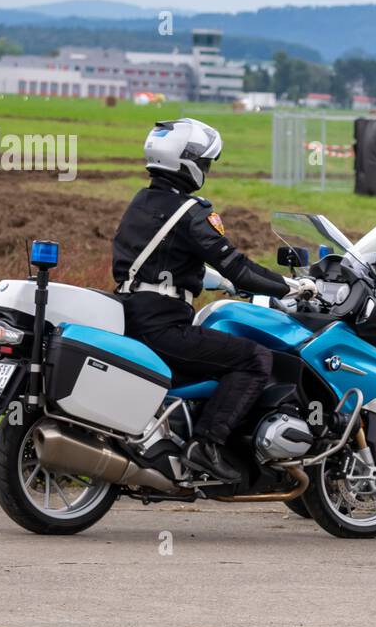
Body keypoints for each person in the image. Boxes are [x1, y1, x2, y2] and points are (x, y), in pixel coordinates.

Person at [112, 118, 314, 482]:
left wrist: (220, 283)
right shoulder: (190, 213)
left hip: (130, 315)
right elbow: (239, 267)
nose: (205, 170)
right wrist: (290, 287)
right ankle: (206, 445)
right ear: (187, 162)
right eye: (204, 163)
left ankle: (179, 434)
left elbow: (162, 263)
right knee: (255, 358)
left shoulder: (141, 202)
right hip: (163, 326)